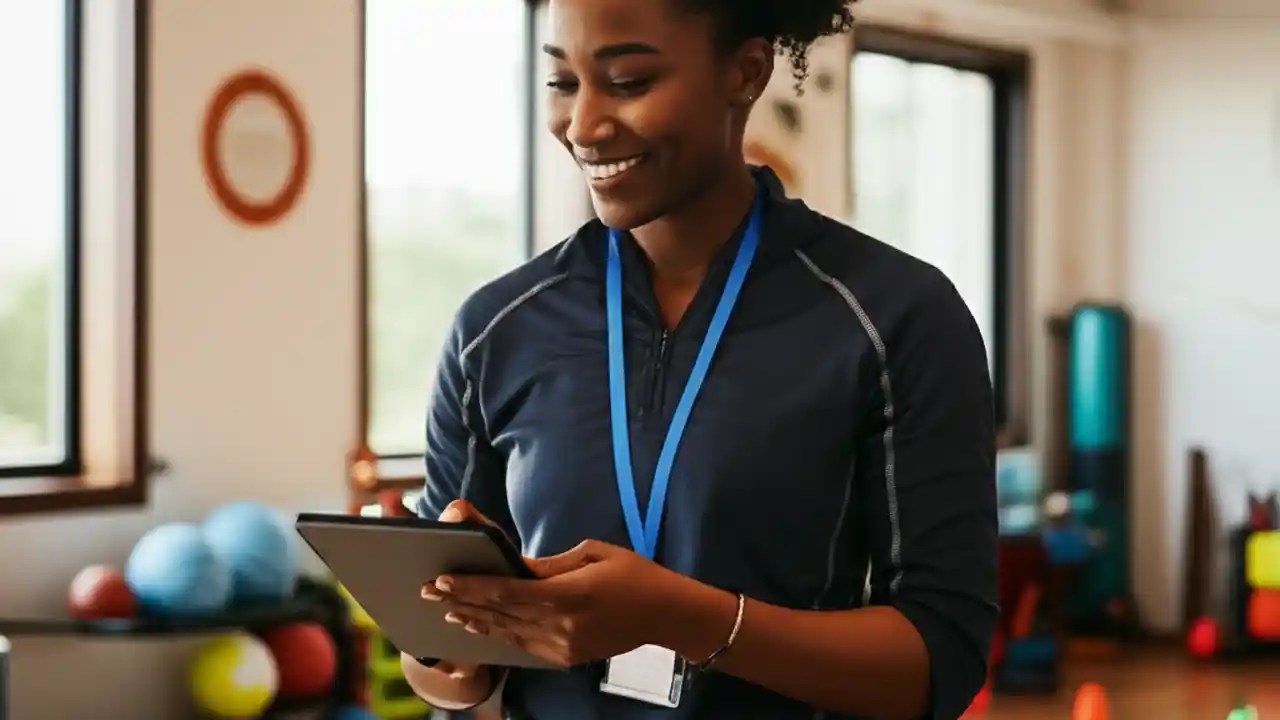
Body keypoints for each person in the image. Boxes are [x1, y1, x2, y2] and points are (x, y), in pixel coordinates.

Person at [401, 0, 998, 717]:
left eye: (627, 81)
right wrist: (458, 630)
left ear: (746, 72)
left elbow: (942, 659)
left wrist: (683, 619)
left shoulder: (894, 318)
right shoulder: (495, 331)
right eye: (563, 83)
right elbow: (441, 674)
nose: (584, 126)